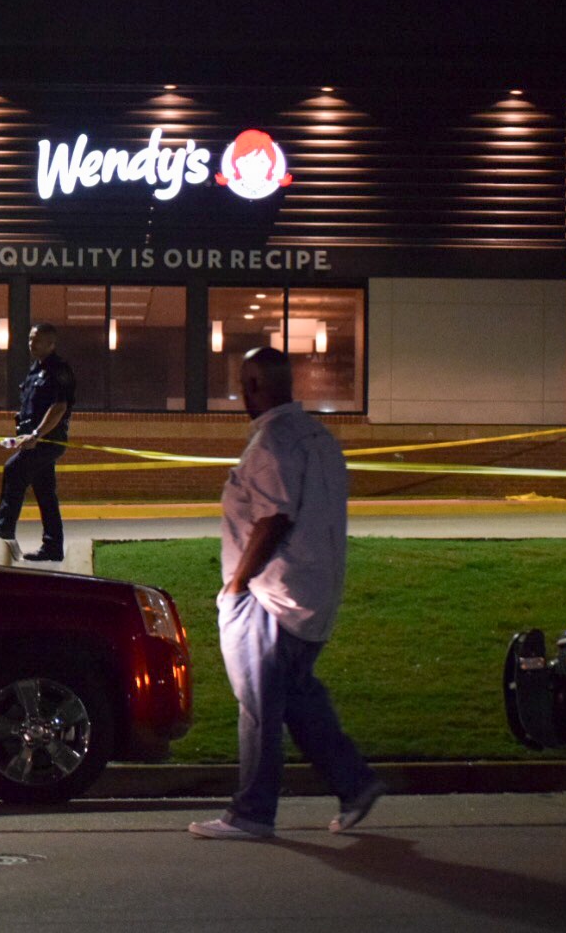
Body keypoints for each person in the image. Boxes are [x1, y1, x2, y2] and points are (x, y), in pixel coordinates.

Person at [189, 347, 383, 841]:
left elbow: (274, 518)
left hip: (269, 598)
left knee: (258, 708)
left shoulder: (271, 444)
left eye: (243, 383)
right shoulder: (319, 439)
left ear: (254, 386)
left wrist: (237, 586)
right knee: (298, 698)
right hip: (314, 594)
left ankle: (252, 813)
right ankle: (354, 784)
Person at [0, 322, 75, 563]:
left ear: (51, 344)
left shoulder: (59, 369)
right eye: (31, 339)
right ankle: (53, 547)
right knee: (45, 493)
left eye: (38, 340)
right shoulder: (35, 370)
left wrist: (36, 434)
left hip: (47, 441)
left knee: (14, 469)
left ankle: (3, 528)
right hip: (32, 440)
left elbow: (59, 406)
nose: (32, 344)